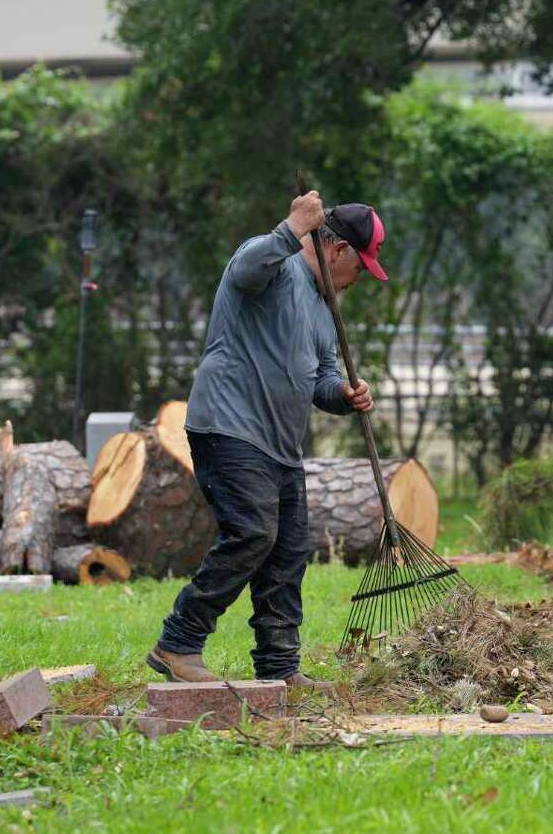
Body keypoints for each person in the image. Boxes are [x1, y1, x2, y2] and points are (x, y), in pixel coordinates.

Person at [146, 188, 387, 685]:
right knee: (253, 534)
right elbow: (243, 270)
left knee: (288, 551)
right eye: (360, 269)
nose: (357, 281)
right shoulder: (275, 265)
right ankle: (178, 644)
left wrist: (344, 394)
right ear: (337, 249)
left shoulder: (324, 310)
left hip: (281, 444)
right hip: (229, 426)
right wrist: (292, 225)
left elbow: (318, 380)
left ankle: (279, 669)